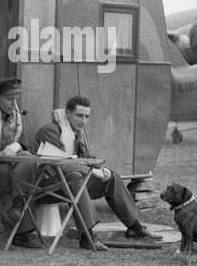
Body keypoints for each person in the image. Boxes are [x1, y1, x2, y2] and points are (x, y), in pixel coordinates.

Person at [30, 94, 154, 250]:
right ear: (68, 113)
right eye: (79, 115)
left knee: (111, 177)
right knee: (75, 177)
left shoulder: (78, 132)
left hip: (69, 184)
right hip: (45, 187)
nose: (83, 120)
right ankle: (87, 236)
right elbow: (59, 165)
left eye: (87, 116)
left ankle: (135, 227)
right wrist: (92, 172)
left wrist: (101, 169)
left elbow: (86, 158)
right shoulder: (51, 131)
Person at [0, 77, 43, 249]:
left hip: (10, 167)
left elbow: (25, 144)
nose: (13, 103)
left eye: (15, 99)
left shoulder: (14, 116)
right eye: (9, 99)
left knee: (29, 164)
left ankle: (17, 207)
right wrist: (0, 155)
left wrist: (16, 145)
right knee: (15, 175)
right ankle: (22, 232)